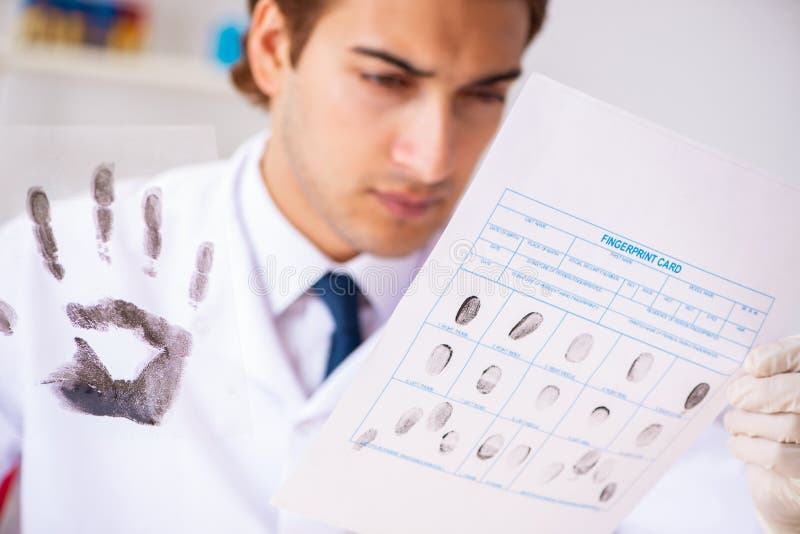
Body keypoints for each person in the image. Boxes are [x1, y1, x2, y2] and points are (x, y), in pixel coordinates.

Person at [0, 0, 797, 532]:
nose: (435, 155)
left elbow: (702, 507)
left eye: (483, 94)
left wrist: (778, 511)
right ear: (276, 48)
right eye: (387, 79)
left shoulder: (597, 316)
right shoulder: (49, 269)